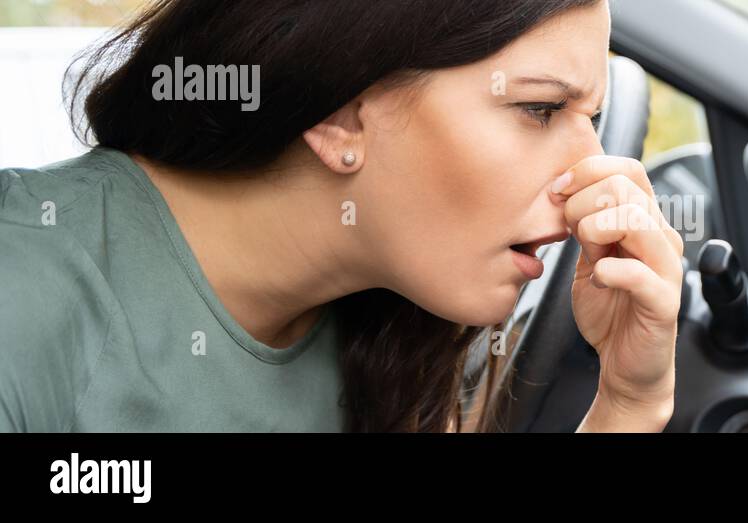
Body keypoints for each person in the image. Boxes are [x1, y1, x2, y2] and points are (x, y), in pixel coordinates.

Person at [0, 0, 682, 432]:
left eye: (591, 119)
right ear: (341, 114)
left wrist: (628, 401)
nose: (589, 173)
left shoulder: (388, 329)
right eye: (540, 109)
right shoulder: (23, 300)